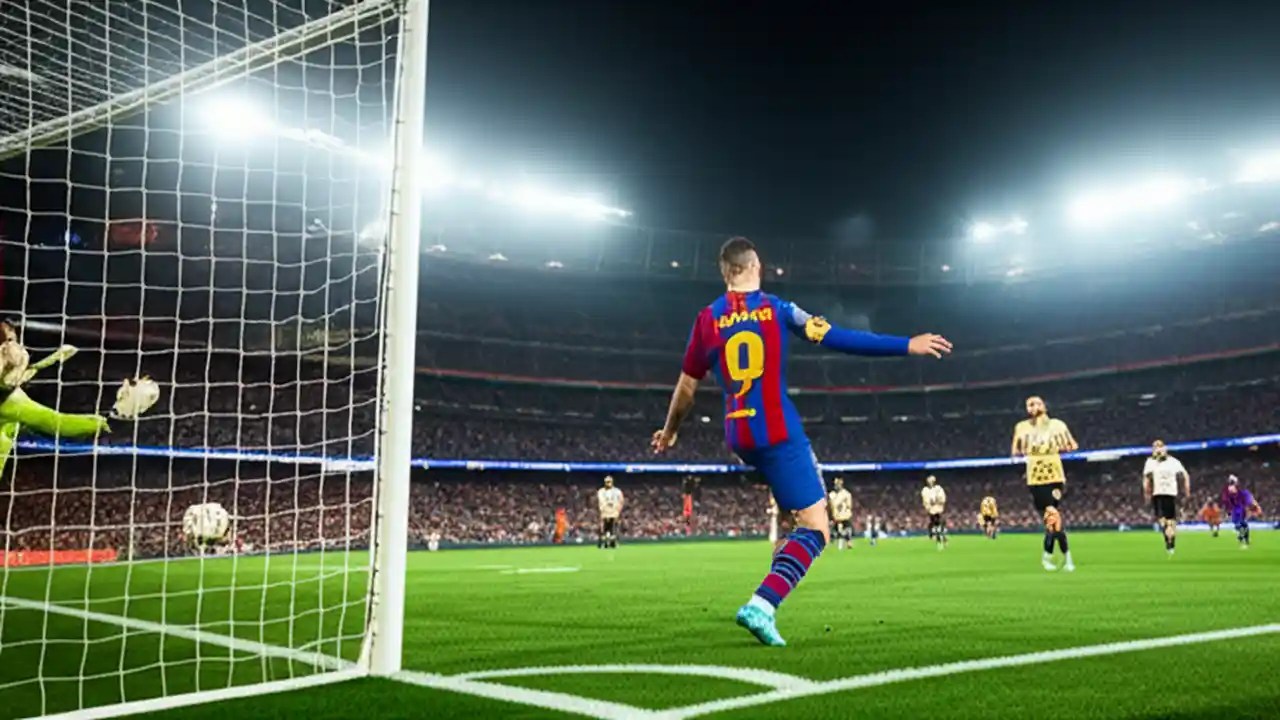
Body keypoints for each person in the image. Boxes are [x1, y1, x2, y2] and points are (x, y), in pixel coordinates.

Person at [652, 236, 951, 646]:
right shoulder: (778, 309)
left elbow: (687, 387)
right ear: (755, 266)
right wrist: (906, 345)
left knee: (791, 519)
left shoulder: (707, 318)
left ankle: (775, 579)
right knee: (816, 528)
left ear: (725, 272)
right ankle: (763, 604)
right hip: (777, 430)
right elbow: (837, 337)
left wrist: (670, 431)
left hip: (738, 434)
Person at [1012, 395, 1079, 572]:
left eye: (1036, 403)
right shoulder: (1021, 428)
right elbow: (1015, 452)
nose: (1033, 407)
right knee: (1050, 522)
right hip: (1035, 479)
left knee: (1052, 515)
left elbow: (1073, 445)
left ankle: (1056, 557)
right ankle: (1062, 558)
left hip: (1054, 477)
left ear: (1044, 406)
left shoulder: (1058, 425)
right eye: (1029, 405)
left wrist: (1057, 447)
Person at [1142, 440, 1190, 555]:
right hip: (1157, 494)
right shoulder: (1150, 462)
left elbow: (1185, 474)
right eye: (1155, 447)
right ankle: (1168, 538)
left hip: (1170, 494)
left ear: (1165, 449)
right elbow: (1146, 478)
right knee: (1162, 521)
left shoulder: (1173, 462)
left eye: (1160, 447)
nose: (1158, 449)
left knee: (1170, 521)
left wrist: (1186, 489)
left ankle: (1171, 542)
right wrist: (1146, 492)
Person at [1221, 476, 1262, 549]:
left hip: (1239, 510)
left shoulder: (1239, 491)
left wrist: (1253, 506)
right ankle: (1244, 537)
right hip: (1237, 509)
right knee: (1242, 524)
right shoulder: (1235, 491)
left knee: (1241, 524)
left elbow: (1249, 500)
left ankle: (1243, 537)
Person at [596, 476, 624, 549]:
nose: (608, 483)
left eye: (609, 482)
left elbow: (621, 501)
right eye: (606, 482)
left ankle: (613, 542)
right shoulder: (601, 491)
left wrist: (618, 510)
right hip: (605, 513)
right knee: (604, 529)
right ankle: (603, 542)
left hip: (614, 513)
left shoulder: (617, 491)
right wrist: (603, 509)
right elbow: (601, 502)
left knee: (613, 529)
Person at [921, 475, 948, 550]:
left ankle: (942, 539)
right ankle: (940, 540)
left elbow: (942, 498)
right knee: (935, 525)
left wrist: (937, 500)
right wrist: (929, 504)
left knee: (939, 524)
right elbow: (925, 500)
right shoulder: (925, 490)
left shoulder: (938, 488)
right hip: (931, 510)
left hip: (938, 509)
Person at [828, 477, 854, 551]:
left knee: (845, 529)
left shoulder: (846, 494)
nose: (836, 485)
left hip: (844, 515)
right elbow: (830, 506)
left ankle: (848, 542)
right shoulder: (832, 494)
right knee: (838, 530)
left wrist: (845, 511)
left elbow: (849, 506)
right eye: (835, 484)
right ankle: (839, 543)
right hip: (835, 516)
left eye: (837, 483)